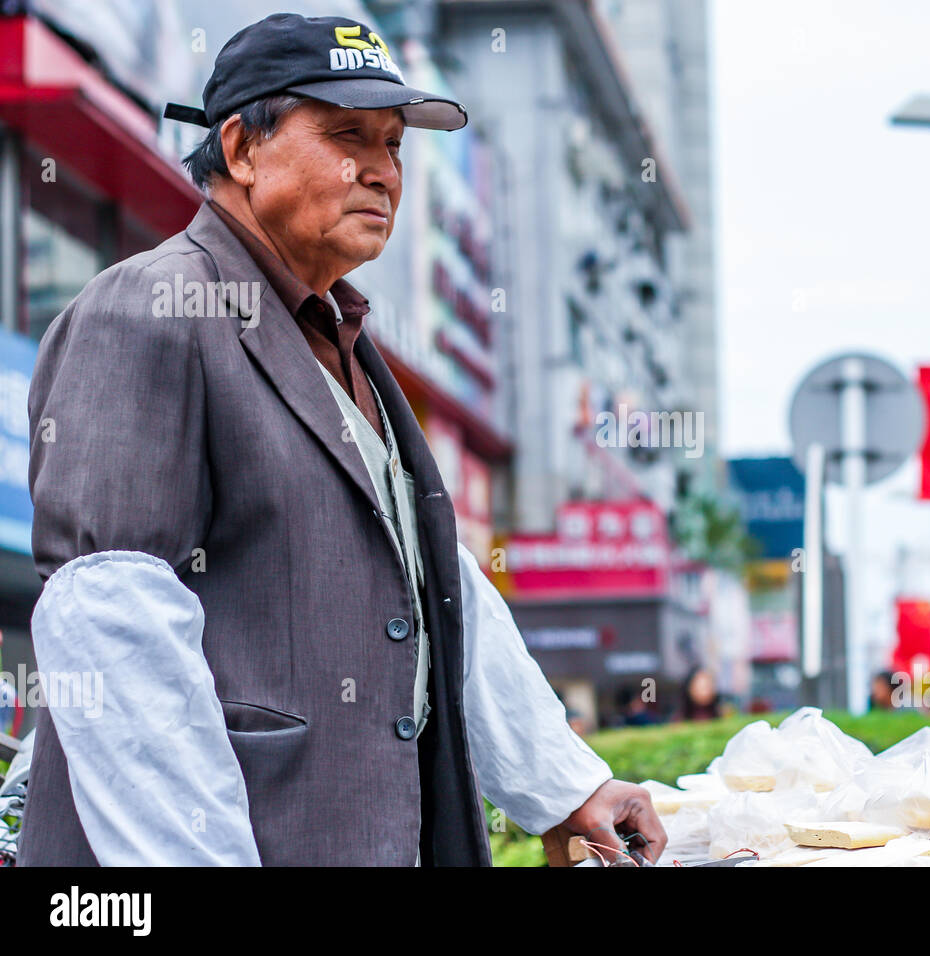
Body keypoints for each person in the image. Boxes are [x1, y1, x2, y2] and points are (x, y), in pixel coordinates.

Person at [18, 13, 663, 867]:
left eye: (393, 145)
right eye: (347, 135)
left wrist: (563, 785)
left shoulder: (338, 337)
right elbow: (110, 624)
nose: (382, 171)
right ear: (243, 148)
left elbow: (436, 588)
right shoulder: (147, 309)